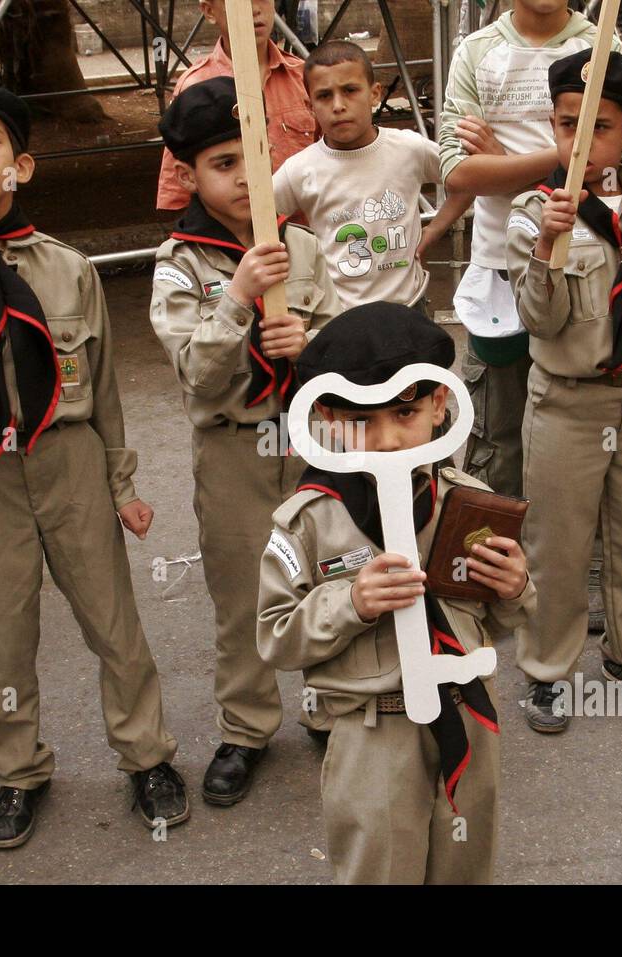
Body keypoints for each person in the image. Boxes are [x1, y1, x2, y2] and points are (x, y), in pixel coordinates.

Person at [0, 75, 187, 846]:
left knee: (115, 624)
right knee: (3, 635)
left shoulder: (65, 267)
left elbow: (108, 386)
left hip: (70, 460)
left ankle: (146, 756)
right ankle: (18, 772)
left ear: (21, 166)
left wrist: (122, 483)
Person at [256, 302, 535, 883]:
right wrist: (349, 604)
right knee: (379, 870)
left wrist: (515, 589)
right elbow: (276, 639)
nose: (385, 439)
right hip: (372, 730)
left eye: (405, 412)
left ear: (439, 405)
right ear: (327, 418)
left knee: (465, 865)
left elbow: (498, 618)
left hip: (468, 711)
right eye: (361, 419)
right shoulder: (309, 520)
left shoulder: (468, 501)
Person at [151, 76, 341, 804]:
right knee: (241, 592)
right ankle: (247, 726)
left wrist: (310, 343)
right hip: (234, 447)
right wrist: (236, 300)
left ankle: (328, 704)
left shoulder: (303, 245)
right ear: (191, 174)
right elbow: (196, 376)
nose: (240, 178)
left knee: (327, 575)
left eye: (251, 160)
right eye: (221, 163)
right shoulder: (181, 263)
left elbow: (343, 348)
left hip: (309, 438)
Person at [505, 51, 622, 732]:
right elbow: (539, 320)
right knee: (556, 543)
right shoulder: (534, 214)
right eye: (566, 126)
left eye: (598, 129)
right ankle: (548, 669)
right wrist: (545, 255)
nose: (579, 144)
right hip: (570, 403)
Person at [440, 0, 622, 501]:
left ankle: (576, 559)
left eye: (572, 128)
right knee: (499, 435)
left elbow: (608, 165)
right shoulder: (477, 53)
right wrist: (564, 158)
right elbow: (456, 174)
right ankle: (496, 557)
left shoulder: (601, 44)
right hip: (500, 272)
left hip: (585, 265)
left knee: (581, 426)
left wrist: (504, 161)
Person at [273, 40, 475, 311]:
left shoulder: (408, 149)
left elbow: (468, 179)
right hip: (339, 318)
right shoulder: (300, 169)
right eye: (324, 96)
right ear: (310, 106)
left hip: (409, 308)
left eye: (350, 90)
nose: (338, 105)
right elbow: (252, 220)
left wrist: (437, 228)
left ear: (375, 94)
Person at [155, 0, 315, 213]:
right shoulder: (194, 87)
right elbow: (176, 196)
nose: (254, 9)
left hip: (301, 235)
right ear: (209, 11)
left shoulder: (303, 78)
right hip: (232, 242)